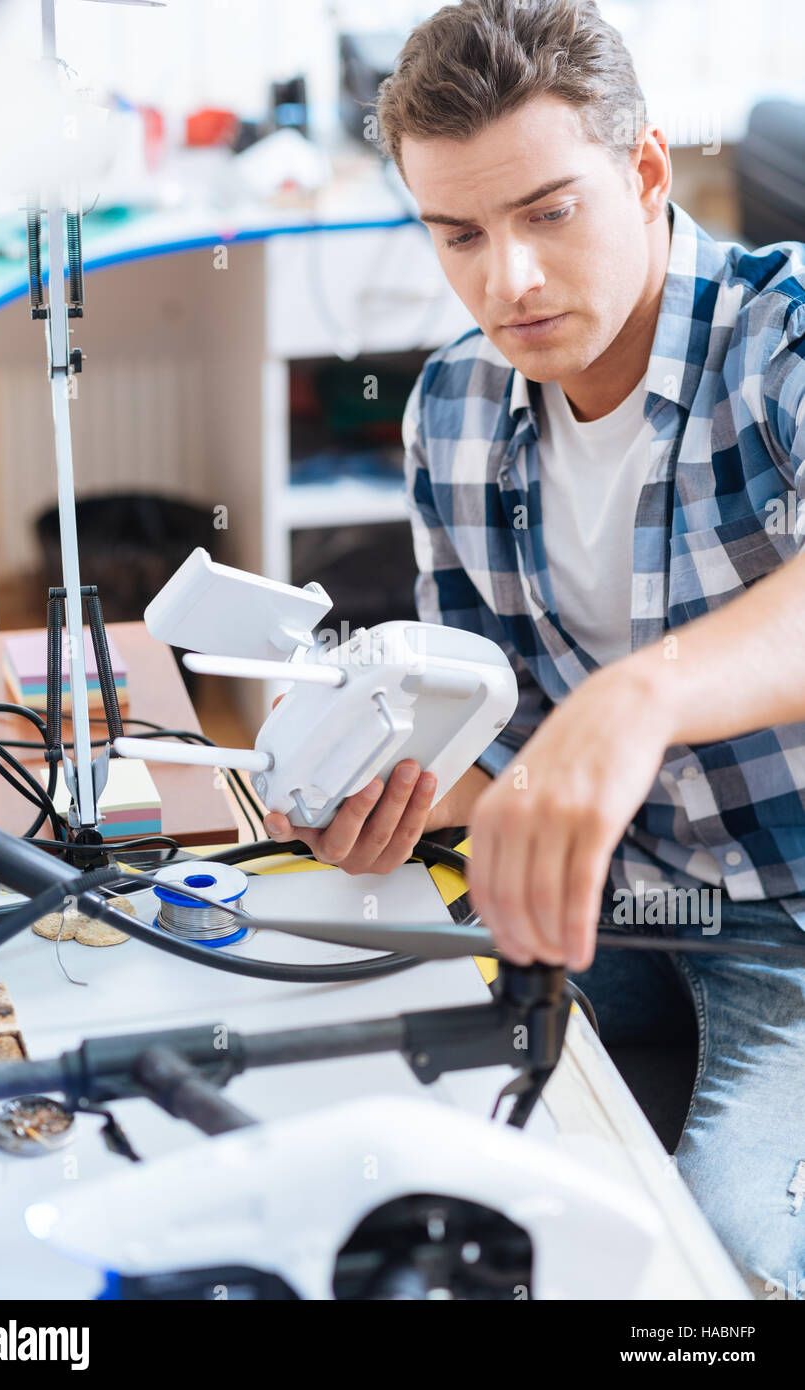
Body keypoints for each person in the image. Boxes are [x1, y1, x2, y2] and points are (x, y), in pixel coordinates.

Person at [263, 0, 805, 1298]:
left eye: (549, 212)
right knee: (359, 1113)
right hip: (616, 895)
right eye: (458, 232)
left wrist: (642, 698)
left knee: (727, 1261)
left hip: (789, 919)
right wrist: (388, 787)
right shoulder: (452, 407)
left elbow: (611, 710)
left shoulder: (780, 337)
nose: (506, 279)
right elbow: (490, 731)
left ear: (648, 171)